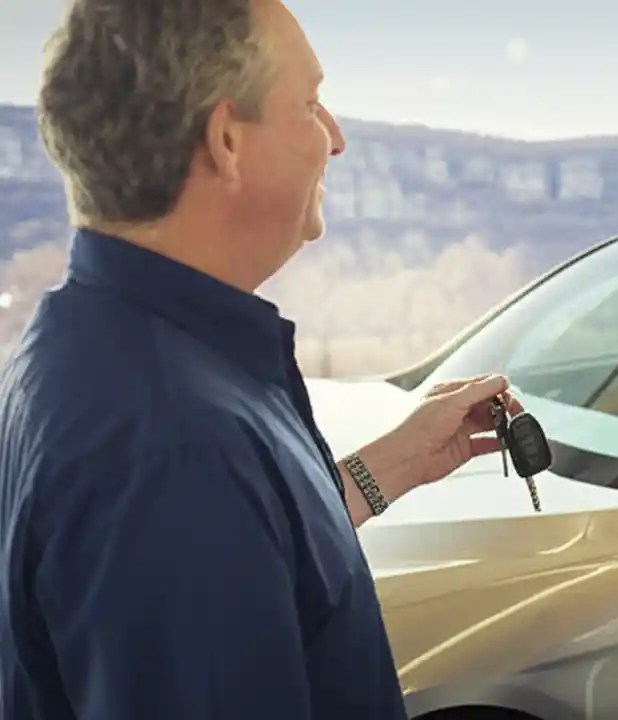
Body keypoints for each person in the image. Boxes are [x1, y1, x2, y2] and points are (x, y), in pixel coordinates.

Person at [0, 1, 515, 718]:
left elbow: (258, 554)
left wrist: (389, 466)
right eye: (309, 103)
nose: (335, 139)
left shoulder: (99, 347)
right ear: (226, 141)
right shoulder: (174, 446)